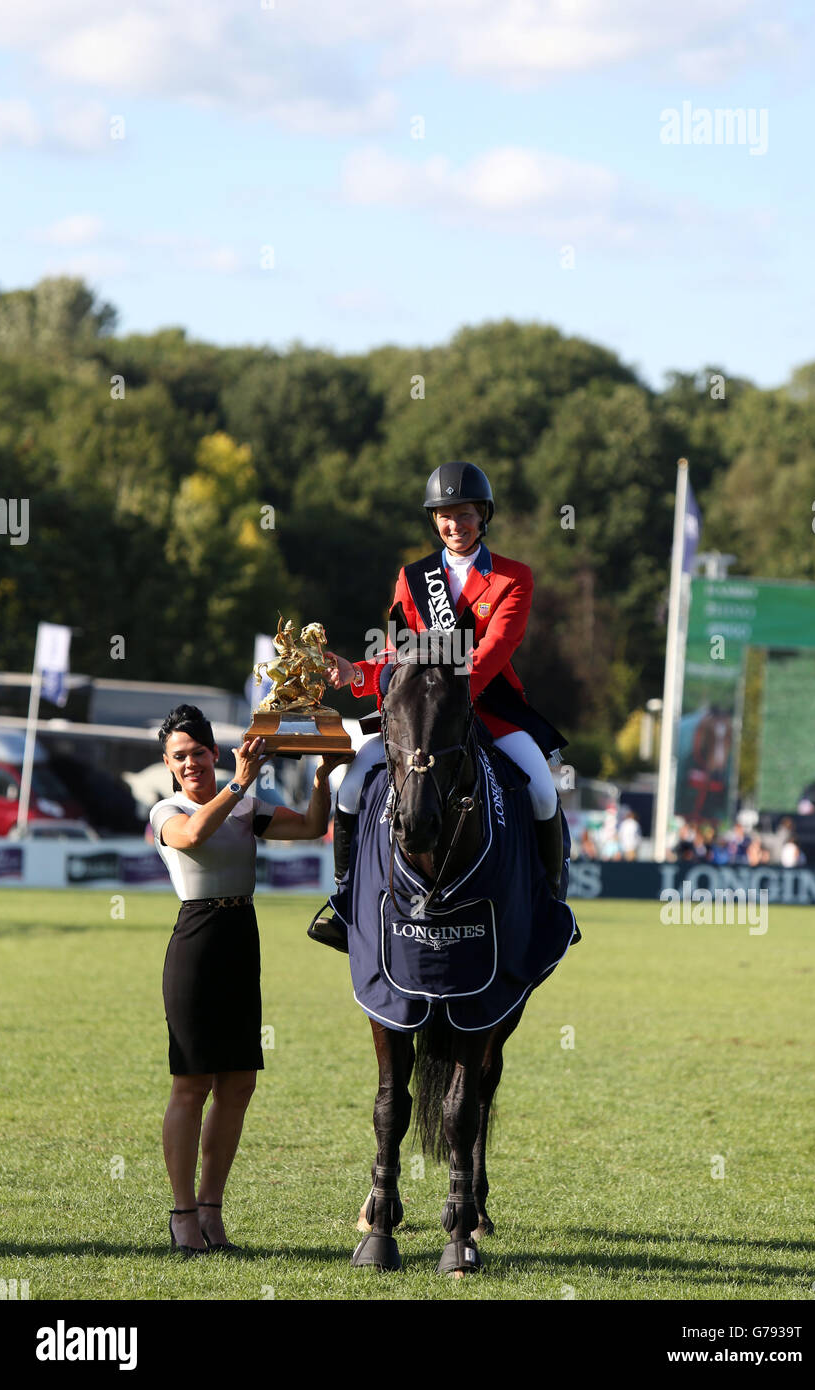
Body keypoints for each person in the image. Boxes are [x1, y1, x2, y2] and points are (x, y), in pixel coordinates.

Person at [313, 462, 569, 949]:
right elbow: (397, 652)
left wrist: (444, 699)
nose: (456, 525)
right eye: (446, 516)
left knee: (540, 789)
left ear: (483, 516)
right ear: (435, 521)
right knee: (350, 788)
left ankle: (548, 907)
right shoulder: (412, 579)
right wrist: (359, 674)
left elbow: (493, 653)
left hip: (488, 705)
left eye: (466, 514)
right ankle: (344, 903)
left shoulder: (513, 578)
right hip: (418, 717)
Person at [150, 704, 347, 1256]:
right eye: (178, 757)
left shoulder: (246, 804)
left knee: (238, 1084)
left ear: (215, 751)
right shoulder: (167, 809)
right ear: (169, 765)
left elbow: (310, 827)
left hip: (242, 940)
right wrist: (238, 782)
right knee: (191, 1085)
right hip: (196, 946)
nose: (190, 764)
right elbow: (190, 837)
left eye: (197, 753)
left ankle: (211, 1209)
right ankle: (182, 1214)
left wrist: (321, 777)